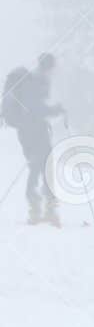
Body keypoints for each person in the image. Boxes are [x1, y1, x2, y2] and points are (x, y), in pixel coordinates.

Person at [1, 53, 64, 225]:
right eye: (53, 67)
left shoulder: (33, 80)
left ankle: (37, 209)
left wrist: (49, 112)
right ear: (49, 67)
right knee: (43, 166)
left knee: (37, 167)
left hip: (27, 131)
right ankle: (44, 211)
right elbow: (35, 109)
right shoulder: (37, 81)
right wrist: (55, 110)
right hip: (34, 131)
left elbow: (34, 108)